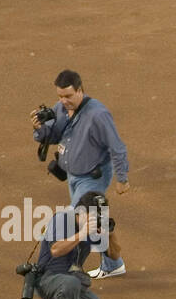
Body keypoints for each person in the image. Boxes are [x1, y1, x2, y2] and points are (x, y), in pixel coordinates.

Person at [31, 69, 131, 278]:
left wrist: (122, 178)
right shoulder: (60, 108)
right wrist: (40, 130)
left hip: (93, 177)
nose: (63, 101)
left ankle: (79, 266)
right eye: (59, 96)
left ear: (80, 90)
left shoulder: (98, 114)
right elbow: (54, 135)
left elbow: (117, 147)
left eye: (68, 96)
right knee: (90, 216)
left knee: (77, 218)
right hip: (73, 177)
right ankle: (113, 264)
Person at [33, 191, 110, 299]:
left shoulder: (92, 228)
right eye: (95, 216)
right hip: (48, 278)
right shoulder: (62, 219)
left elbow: (114, 255)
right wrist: (82, 233)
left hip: (72, 279)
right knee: (71, 284)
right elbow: (56, 250)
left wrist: (110, 235)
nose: (98, 220)